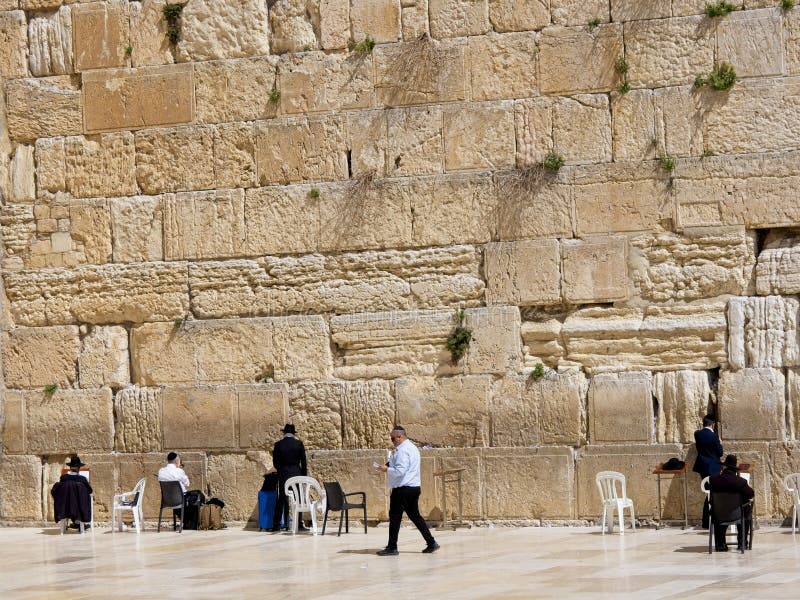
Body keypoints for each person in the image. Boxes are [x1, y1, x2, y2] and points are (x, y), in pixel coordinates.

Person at [376, 426, 439, 556]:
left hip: (403, 489)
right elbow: (402, 465)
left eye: (393, 438)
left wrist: (386, 469)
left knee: (395, 517)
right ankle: (431, 542)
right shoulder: (412, 448)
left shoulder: (403, 450)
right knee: (415, 516)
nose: (392, 441)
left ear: (400, 436)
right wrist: (388, 464)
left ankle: (392, 547)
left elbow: (400, 471)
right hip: (413, 487)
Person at [709, 454, 754, 551]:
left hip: (718, 514)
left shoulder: (713, 480)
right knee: (746, 509)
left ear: (724, 467)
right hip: (736, 514)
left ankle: (720, 544)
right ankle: (742, 543)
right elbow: (750, 494)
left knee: (719, 510)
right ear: (735, 469)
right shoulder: (740, 482)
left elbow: (711, 498)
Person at [271, 423, 308, 532]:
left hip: (283, 475)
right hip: (297, 474)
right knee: (298, 498)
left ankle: (276, 524)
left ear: (284, 433)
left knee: (281, 498)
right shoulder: (299, 444)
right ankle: (299, 524)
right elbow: (304, 462)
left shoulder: (278, 445)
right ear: (293, 433)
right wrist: (304, 476)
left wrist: (281, 470)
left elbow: (275, 463)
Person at [693, 414, 723, 527]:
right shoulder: (714, 436)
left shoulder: (697, 434)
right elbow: (720, 453)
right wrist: (719, 442)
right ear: (713, 424)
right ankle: (707, 521)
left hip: (702, 467)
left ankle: (707, 521)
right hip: (714, 468)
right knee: (713, 493)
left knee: (709, 492)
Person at [52, 455, 93, 529]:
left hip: (65, 507)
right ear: (78, 468)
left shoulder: (63, 478)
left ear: (70, 468)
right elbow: (90, 491)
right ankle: (79, 522)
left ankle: (74, 523)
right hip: (79, 508)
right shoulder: (82, 479)